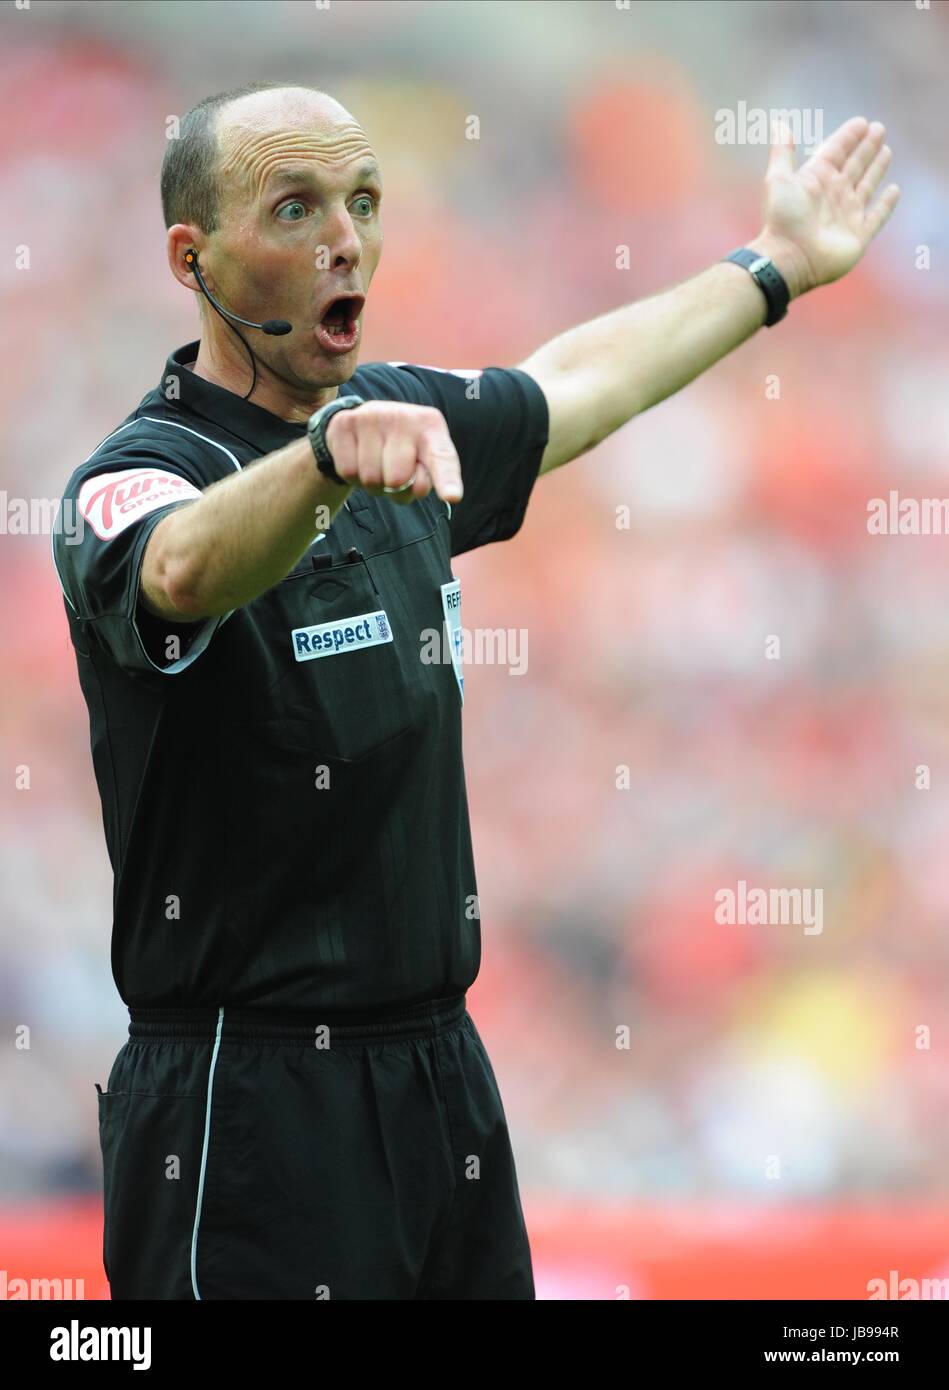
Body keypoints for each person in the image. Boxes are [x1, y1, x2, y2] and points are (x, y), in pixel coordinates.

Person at [53, 82, 898, 1299]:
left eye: (362, 201)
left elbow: (571, 385)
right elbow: (179, 565)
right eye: (294, 207)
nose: (344, 235)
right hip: (247, 1100)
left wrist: (768, 268)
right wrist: (321, 464)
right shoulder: (135, 475)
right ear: (194, 256)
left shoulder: (391, 417)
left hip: (435, 1074)